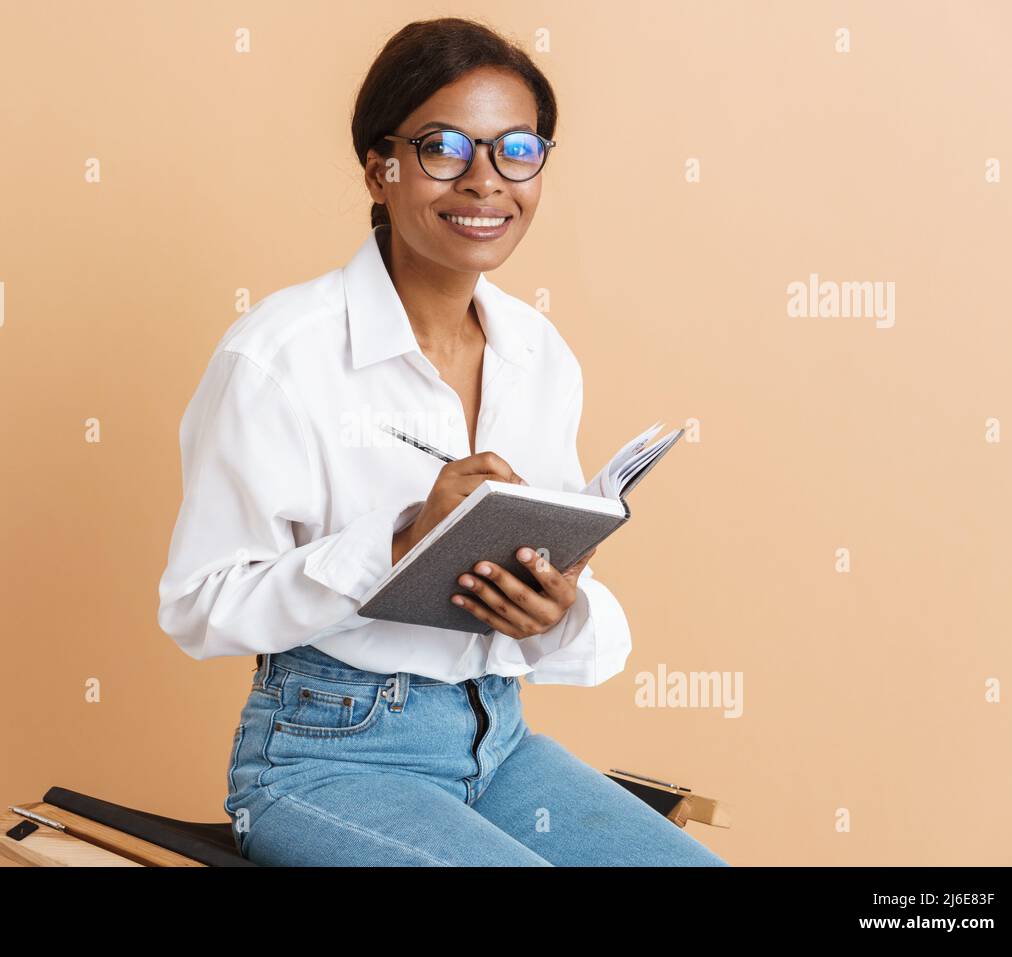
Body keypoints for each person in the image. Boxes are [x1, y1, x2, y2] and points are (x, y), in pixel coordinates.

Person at [157, 16, 727, 866]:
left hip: (499, 744)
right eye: (443, 148)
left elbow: (556, 607)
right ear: (378, 169)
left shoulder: (541, 356)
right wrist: (396, 540)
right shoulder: (278, 356)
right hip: (325, 758)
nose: (485, 181)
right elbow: (196, 605)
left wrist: (556, 612)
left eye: (516, 150)